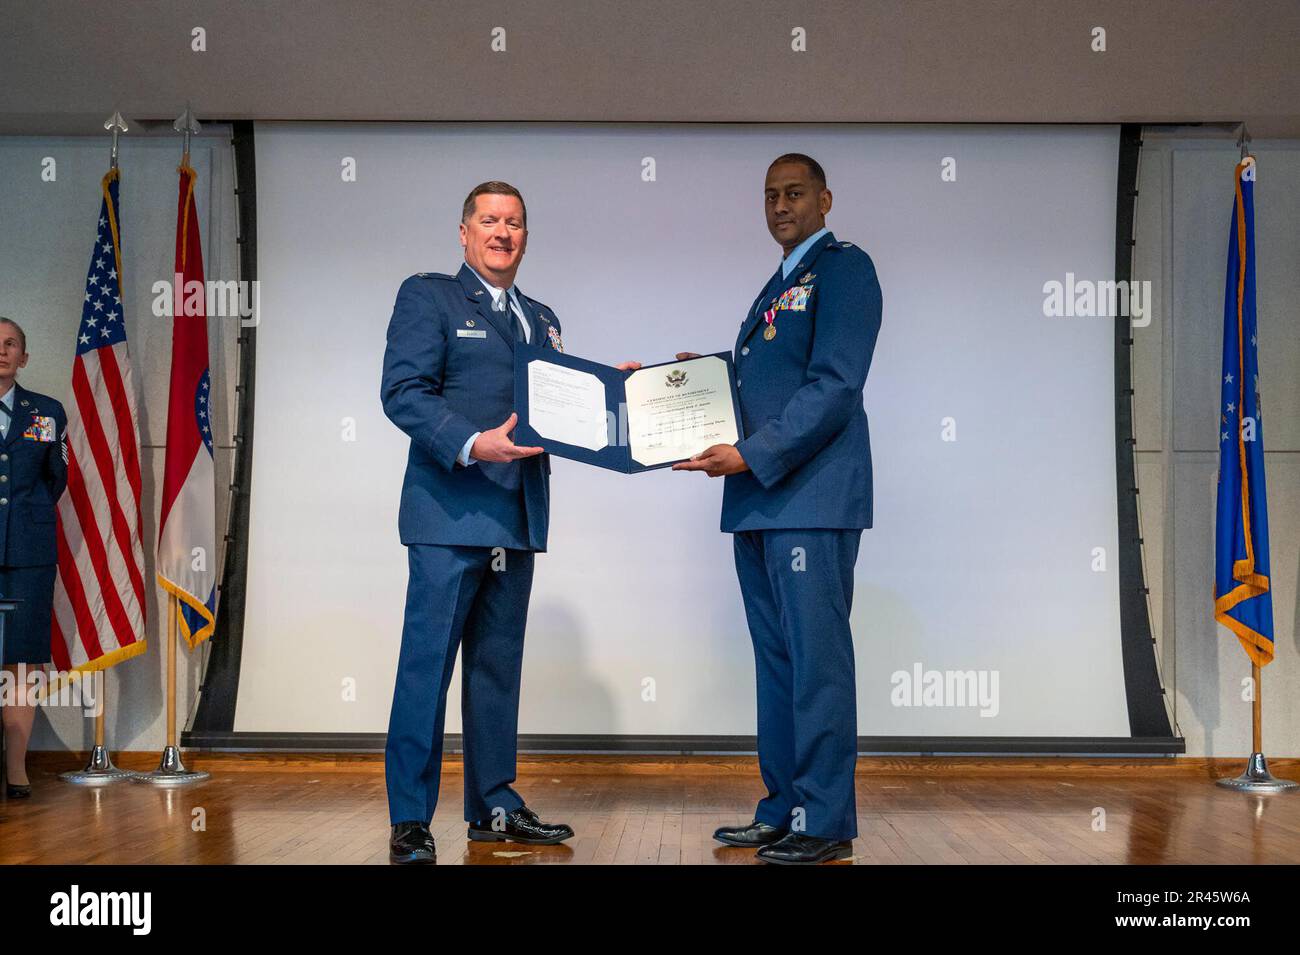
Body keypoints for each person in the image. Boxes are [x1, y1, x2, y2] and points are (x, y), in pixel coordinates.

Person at [380, 181, 638, 863]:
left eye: (515, 223)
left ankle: (493, 804)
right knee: (425, 670)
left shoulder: (542, 317)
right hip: (449, 515)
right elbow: (402, 393)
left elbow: (554, 405)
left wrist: (609, 388)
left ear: (526, 235)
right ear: (464, 232)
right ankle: (410, 816)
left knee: (497, 670)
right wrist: (471, 442)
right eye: (490, 220)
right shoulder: (428, 296)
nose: (503, 232)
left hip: (517, 518)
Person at [673, 154, 883, 864]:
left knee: (817, 662)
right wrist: (679, 386)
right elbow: (753, 381)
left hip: (810, 497)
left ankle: (824, 820)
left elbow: (833, 387)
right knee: (778, 664)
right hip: (762, 503)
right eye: (770, 195)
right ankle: (784, 805)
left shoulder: (845, 270)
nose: (780, 204)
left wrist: (753, 455)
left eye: (794, 192)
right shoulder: (780, 281)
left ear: (825, 197)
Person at [0, 317, 68, 800]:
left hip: (28, 554)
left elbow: (56, 479)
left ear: (24, 357)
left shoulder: (46, 412)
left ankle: (16, 769)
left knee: (21, 665)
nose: (1, 351)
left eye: (11, 345)